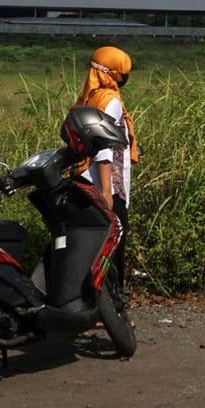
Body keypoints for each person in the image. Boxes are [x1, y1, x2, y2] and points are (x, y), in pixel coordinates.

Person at [77, 45, 140, 304]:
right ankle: (113, 305)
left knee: (94, 245)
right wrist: (106, 192)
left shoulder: (90, 97)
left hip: (85, 179)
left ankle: (92, 302)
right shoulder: (110, 101)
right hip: (108, 185)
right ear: (115, 74)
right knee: (114, 245)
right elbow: (104, 148)